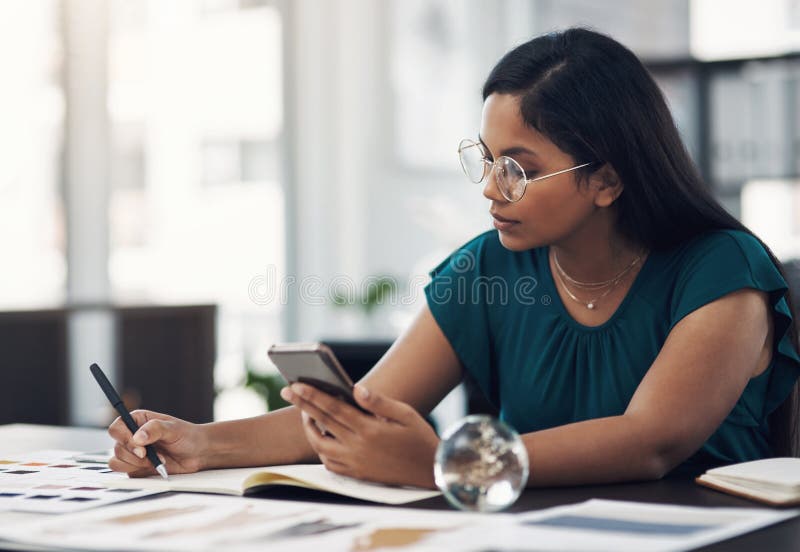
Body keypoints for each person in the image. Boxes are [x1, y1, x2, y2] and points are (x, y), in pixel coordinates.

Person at [107, 28, 800, 487]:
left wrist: (448, 463)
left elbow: (652, 442)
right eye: (489, 160)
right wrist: (199, 443)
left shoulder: (722, 271)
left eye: (519, 170)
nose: (491, 190)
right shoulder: (486, 270)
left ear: (608, 179)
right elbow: (370, 412)